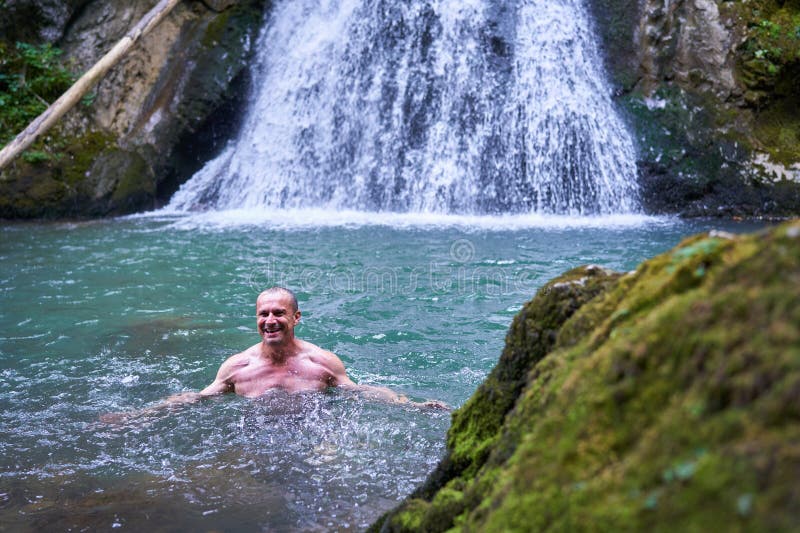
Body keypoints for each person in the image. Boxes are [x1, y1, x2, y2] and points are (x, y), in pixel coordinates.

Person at [103, 287, 447, 422]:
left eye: (279, 313)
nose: (270, 321)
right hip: (258, 430)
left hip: (316, 428)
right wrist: (138, 415)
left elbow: (358, 391)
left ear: (296, 318)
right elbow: (197, 399)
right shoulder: (238, 367)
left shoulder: (321, 363)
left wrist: (412, 406)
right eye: (263, 314)